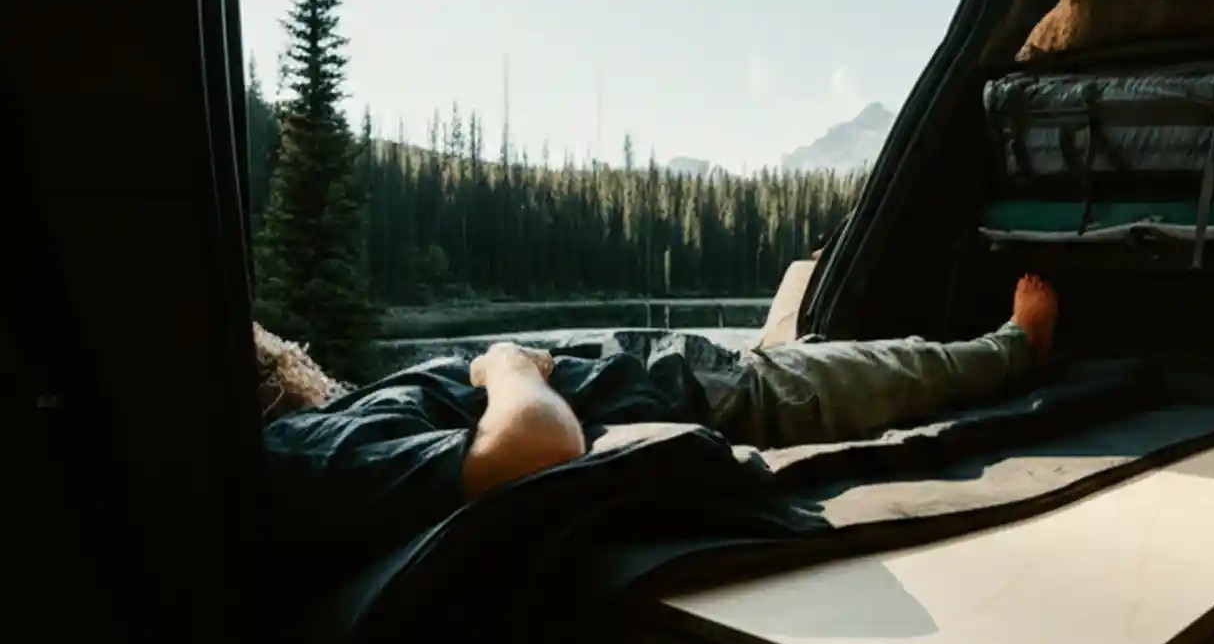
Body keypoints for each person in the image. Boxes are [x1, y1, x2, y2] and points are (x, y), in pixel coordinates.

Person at [255, 273, 1059, 500]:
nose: (281, 348)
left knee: (831, 355)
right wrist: (505, 362)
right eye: (271, 352)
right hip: (692, 396)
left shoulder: (317, 439)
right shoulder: (297, 452)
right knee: (890, 369)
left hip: (667, 373)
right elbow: (535, 446)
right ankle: (1014, 347)